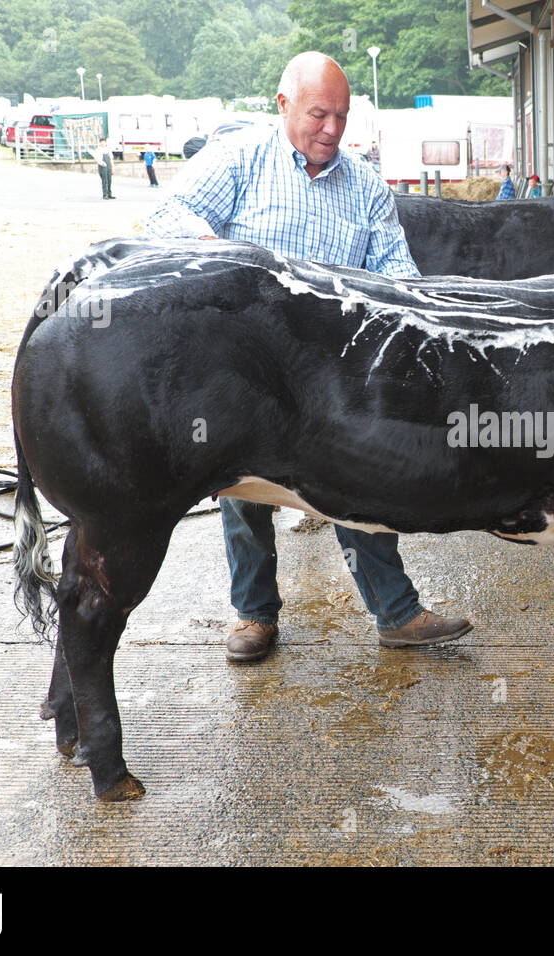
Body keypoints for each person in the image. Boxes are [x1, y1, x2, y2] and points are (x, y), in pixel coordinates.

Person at [140, 51, 472, 664]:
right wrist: (229, 257)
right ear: (284, 104)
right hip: (248, 369)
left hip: (333, 372)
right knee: (244, 493)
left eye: (342, 117)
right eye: (319, 113)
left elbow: (397, 273)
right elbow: (164, 215)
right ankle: (255, 615)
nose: (331, 130)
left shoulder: (366, 185)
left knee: (360, 485)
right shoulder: (240, 158)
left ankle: (396, 613)